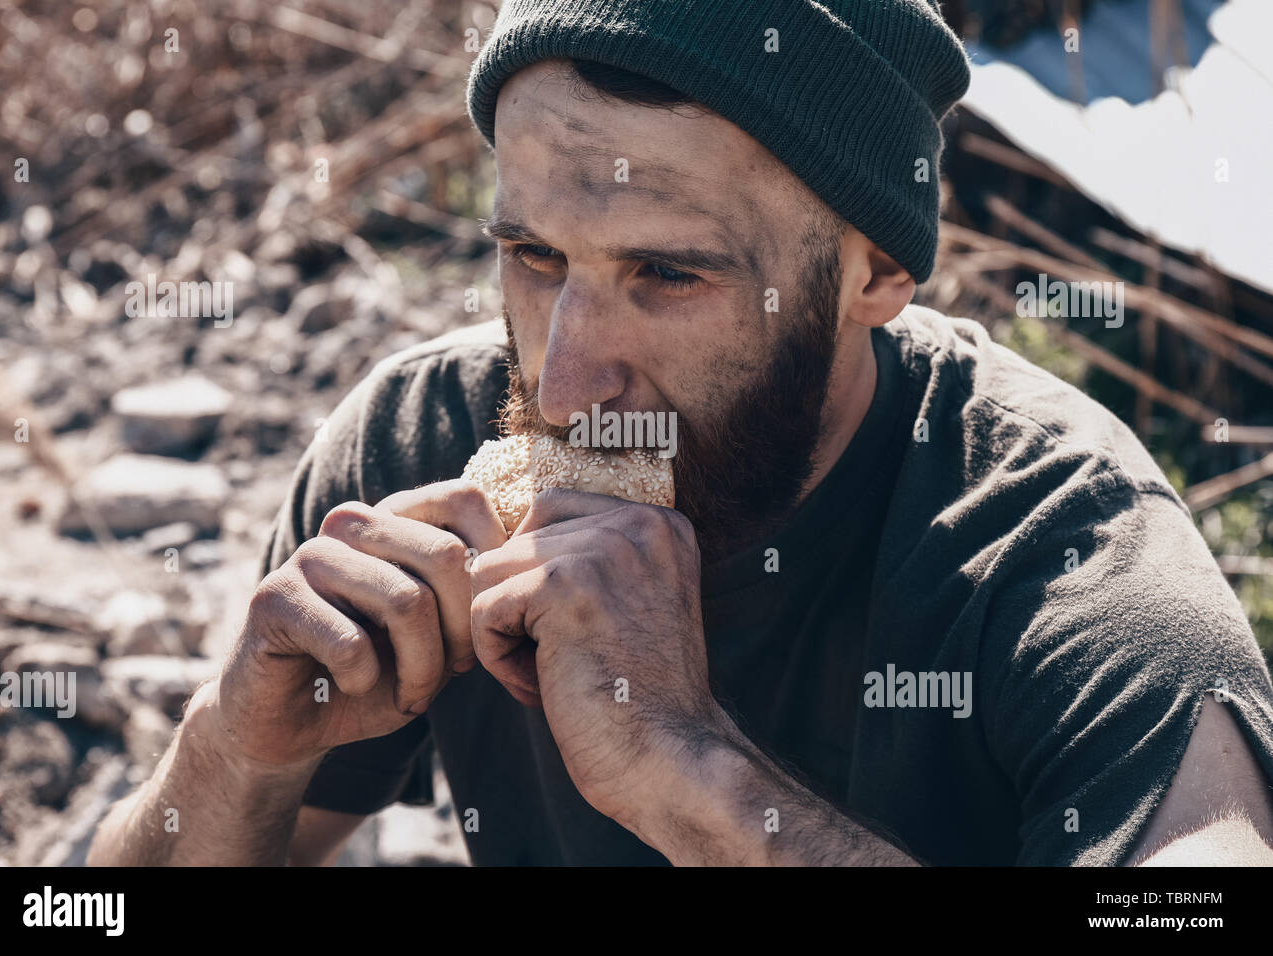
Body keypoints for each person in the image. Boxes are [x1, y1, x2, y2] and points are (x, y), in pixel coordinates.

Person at [89, 0, 1273, 867]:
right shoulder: (421, 442)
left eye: (666, 273)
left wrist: (696, 773)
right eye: (534, 257)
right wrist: (230, 751)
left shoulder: (1062, 544)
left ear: (874, 274)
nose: (564, 381)